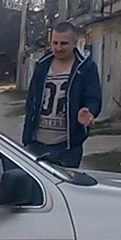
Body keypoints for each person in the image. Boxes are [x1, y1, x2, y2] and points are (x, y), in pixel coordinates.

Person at [22, 22, 103, 168]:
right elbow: (31, 99)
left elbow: (93, 99)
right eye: (55, 43)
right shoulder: (42, 65)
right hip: (35, 144)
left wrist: (89, 112)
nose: (58, 48)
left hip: (67, 148)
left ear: (75, 42)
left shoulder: (86, 68)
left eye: (64, 43)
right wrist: (27, 137)